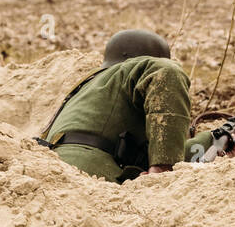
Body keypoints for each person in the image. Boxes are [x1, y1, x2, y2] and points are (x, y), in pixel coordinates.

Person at [37, 29, 225, 183]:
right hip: (88, 176)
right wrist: (163, 168)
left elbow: (141, 153)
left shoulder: (87, 86)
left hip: (50, 169)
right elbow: (168, 72)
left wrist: (209, 140)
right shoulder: (135, 70)